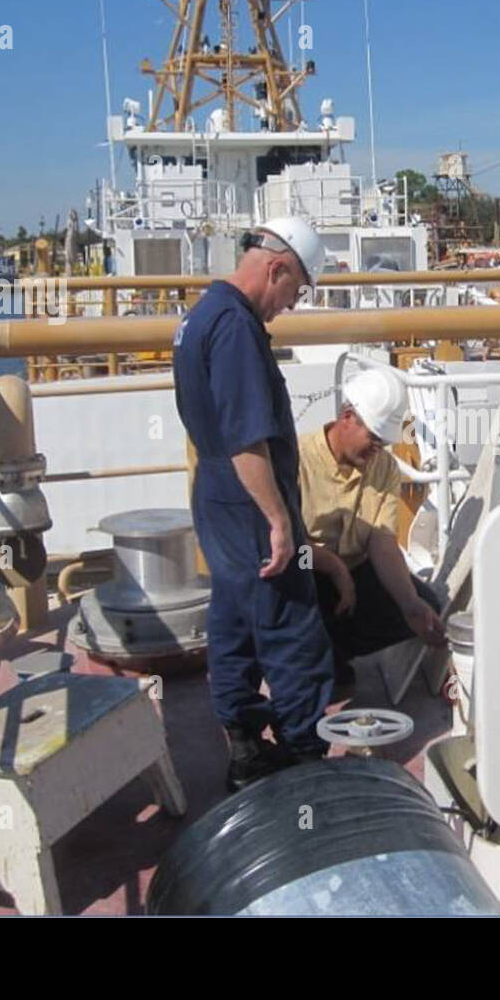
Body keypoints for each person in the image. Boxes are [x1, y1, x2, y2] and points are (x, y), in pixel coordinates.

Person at [172, 216, 334, 791]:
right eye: (296, 290)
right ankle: (301, 760)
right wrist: (278, 520)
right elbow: (246, 437)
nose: (290, 305)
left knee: (235, 614)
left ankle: (243, 745)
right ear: (277, 267)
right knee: (291, 621)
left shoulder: (200, 316)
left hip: (215, 492)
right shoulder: (237, 327)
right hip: (248, 497)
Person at [298, 367, 446, 686]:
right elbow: (285, 545)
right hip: (306, 565)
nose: (377, 449)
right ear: (347, 416)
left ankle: (331, 653)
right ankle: (317, 654)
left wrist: (410, 605)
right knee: (295, 580)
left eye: (383, 442)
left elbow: (382, 542)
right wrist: (333, 568)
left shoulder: (384, 467)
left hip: (356, 567)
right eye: (373, 438)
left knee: (424, 605)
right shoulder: (298, 459)